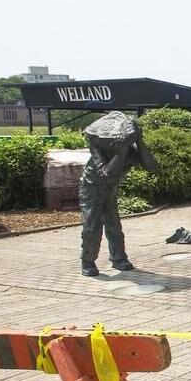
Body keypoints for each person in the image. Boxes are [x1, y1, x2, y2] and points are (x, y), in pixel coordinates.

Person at [79, 112, 159, 277]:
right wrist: (120, 154)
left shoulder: (130, 150)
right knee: (92, 227)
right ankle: (87, 261)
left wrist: (139, 140)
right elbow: (106, 173)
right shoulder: (98, 146)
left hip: (110, 189)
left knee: (114, 225)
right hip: (91, 188)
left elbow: (151, 167)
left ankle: (118, 258)